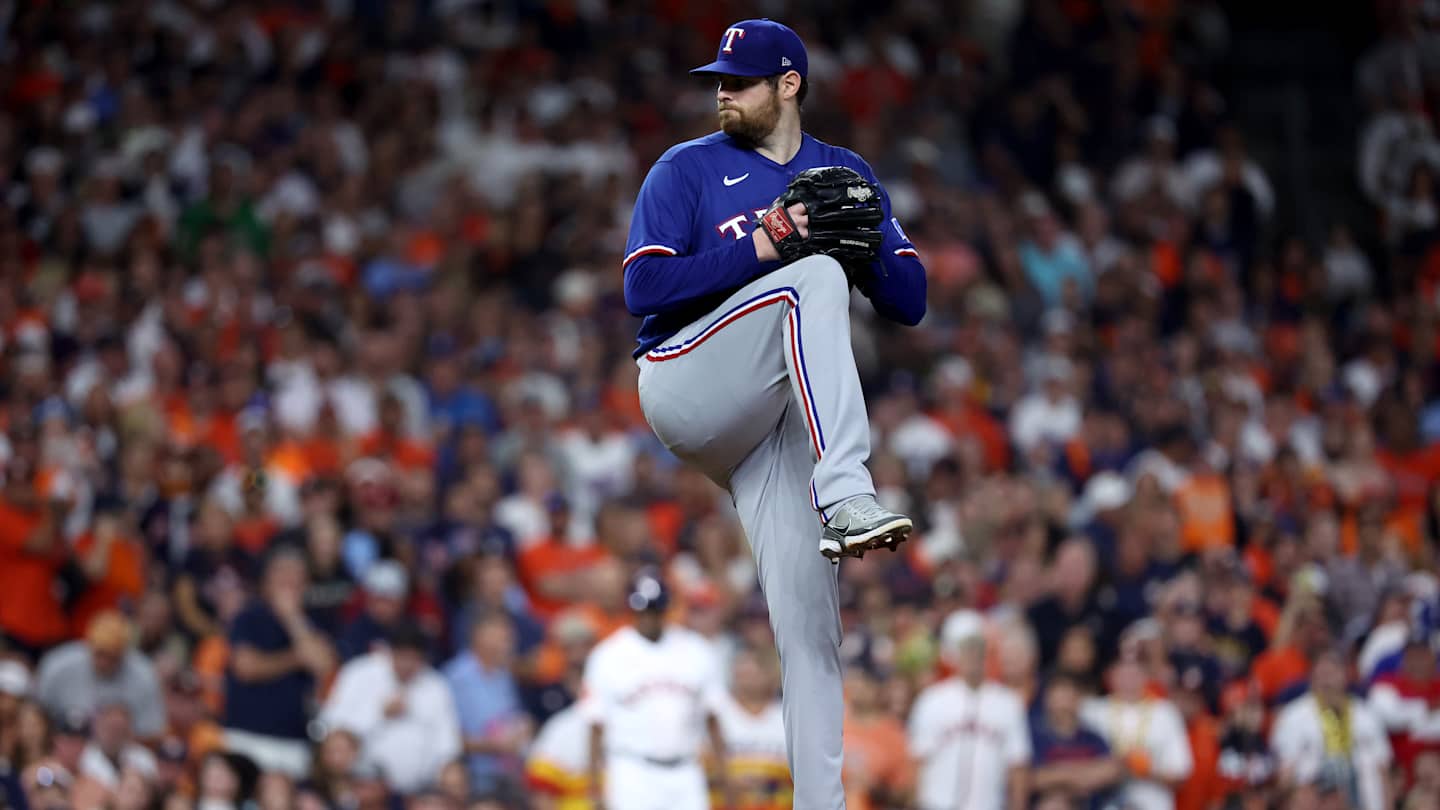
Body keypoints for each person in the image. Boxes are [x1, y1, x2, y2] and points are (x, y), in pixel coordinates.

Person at [622, 18, 926, 807]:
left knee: (811, 629)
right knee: (812, 277)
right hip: (686, 379)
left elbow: (911, 301)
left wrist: (868, 252)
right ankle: (848, 488)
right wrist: (769, 244)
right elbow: (642, 290)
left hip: (773, 424)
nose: (723, 91)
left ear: (788, 84)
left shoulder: (842, 168)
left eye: (740, 79)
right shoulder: (685, 168)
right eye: (719, 80)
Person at [582, 571, 733, 810]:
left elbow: (713, 717)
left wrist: (726, 777)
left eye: (655, 609)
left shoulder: (697, 651)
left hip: (686, 769)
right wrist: (594, 788)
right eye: (644, 610)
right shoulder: (607, 656)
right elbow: (595, 725)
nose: (649, 617)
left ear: (666, 608)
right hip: (632, 770)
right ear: (632, 609)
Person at [222, 548, 336, 777]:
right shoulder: (249, 617)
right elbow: (247, 668)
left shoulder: (315, 622)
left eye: (296, 576)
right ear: (267, 581)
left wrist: (292, 618)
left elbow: (323, 665)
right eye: (282, 575)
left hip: (292, 740)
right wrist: (296, 657)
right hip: (245, 734)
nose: (289, 582)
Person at [906, 610, 1031, 810]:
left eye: (977, 648)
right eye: (966, 649)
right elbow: (917, 762)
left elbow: (1017, 765)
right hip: (936, 804)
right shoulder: (931, 700)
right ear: (954, 654)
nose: (972, 656)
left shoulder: (1007, 702)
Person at [319, 621, 462, 794]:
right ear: (389, 652)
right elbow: (329, 727)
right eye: (402, 657)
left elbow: (447, 742)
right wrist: (379, 714)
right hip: (360, 787)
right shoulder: (359, 673)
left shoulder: (435, 686)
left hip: (419, 793)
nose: (407, 665)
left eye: (414, 659)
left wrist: (446, 771)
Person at [1271, 648, 1393, 810]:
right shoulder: (1293, 716)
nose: (1326, 681)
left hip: (1361, 796)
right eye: (1321, 675)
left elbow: (1383, 770)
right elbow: (1285, 773)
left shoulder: (1366, 715)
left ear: (1345, 676)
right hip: (1313, 796)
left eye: (1331, 673)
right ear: (1312, 679)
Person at [1080, 647, 1193, 810]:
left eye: (1135, 671)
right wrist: (1116, 767)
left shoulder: (1165, 712)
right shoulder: (1091, 710)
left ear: (1146, 675)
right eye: (1122, 671)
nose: (1129, 678)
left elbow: (1179, 775)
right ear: (1109, 674)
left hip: (1153, 804)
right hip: (1103, 803)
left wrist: (1146, 769)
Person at [34, 611, 166, 740]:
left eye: (112, 656)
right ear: (88, 645)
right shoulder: (58, 665)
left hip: (117, 751)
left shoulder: (144, 676)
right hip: (63, 741)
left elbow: (151, 733)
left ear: (125, 654)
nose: (104, 662)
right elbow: (36, 714)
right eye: (100, 653)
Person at [1028, 672, 1124, 810]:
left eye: (1069, 697)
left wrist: (1059, 774)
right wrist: (1083, 776)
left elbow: (1112, 770)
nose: (1065, 704)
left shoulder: (1093, 738)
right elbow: (1032, 779)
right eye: (1059, 698)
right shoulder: (1035, 736)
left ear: (1079, 700)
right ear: (1047, 700)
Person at [711, 648, 790, 810]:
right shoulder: (715, 714)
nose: (748, 676)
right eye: (744, 671)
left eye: (757, 670)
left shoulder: (786, 717)